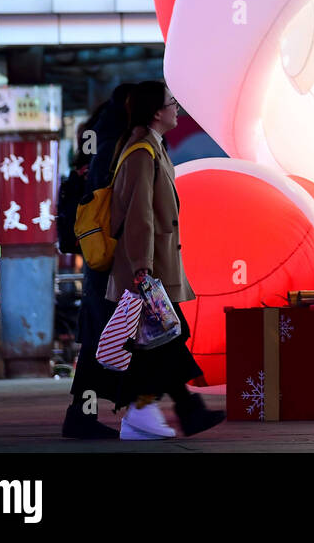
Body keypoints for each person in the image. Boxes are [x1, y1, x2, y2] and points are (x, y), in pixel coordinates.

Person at [105, 81, 224, 440]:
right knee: (166, 338)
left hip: (152, 266)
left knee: (159, 342)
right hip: (149, 269)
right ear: (157, 112)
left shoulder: (152, 147)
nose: (177, 109)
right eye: (172, 103)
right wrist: (142, 267)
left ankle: (151, 411)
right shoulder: (143, 152)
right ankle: (173, 410)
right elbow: (139, 213)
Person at [59, 101, 114, 439]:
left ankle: (83, 414)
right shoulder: (104, 162)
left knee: (96, 345)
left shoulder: (85, 160)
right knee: (98, 345)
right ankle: (84, 415)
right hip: (105, 266)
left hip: (95, 264)